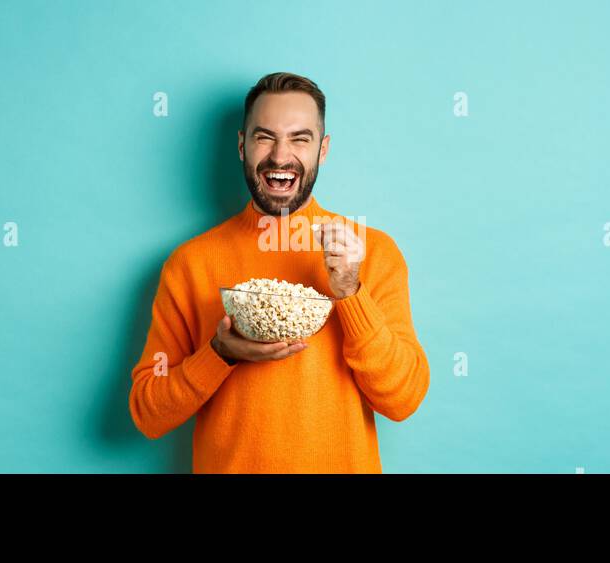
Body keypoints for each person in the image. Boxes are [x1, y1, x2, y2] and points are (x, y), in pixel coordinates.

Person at [128, 71, 429, 473]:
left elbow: (403, 399)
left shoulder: (371, 253)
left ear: (322, 150)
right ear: (241, 145)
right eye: (264, 136)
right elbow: (148, 412)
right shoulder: (191, 263)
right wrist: (219, 354)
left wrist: (351, 294)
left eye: (299, 138)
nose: (280, 156)